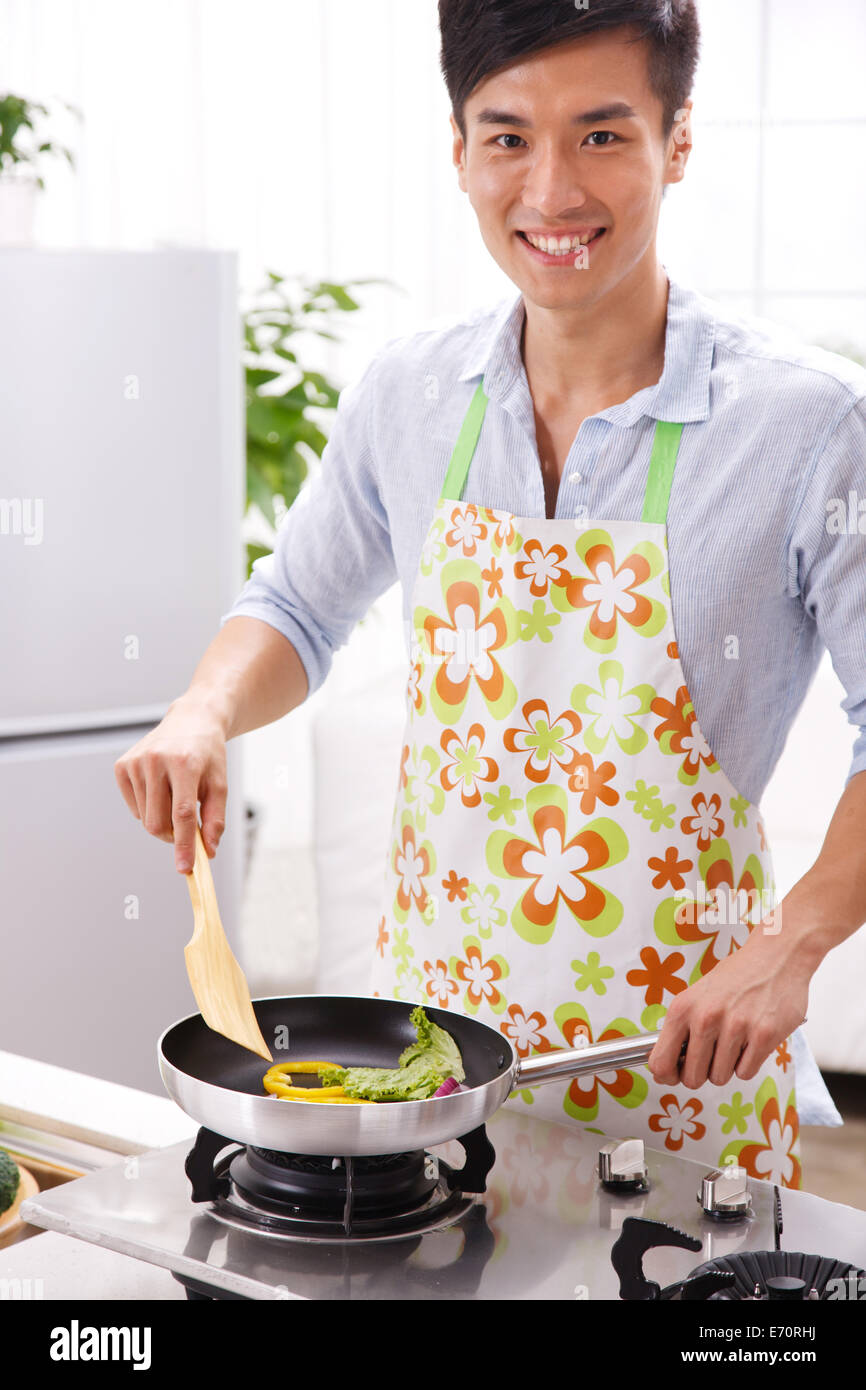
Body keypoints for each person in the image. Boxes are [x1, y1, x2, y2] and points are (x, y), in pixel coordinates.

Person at [116, 0, 866, 1184]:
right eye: (507, 137)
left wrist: (791, 946)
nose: (551, 192)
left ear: (677, 143)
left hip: (683, 1065)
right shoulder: (408, 396)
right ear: (459, 151)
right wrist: (204, 709)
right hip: (429, 1072)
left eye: (602, 136)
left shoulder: (807, 426)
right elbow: (301, 607)